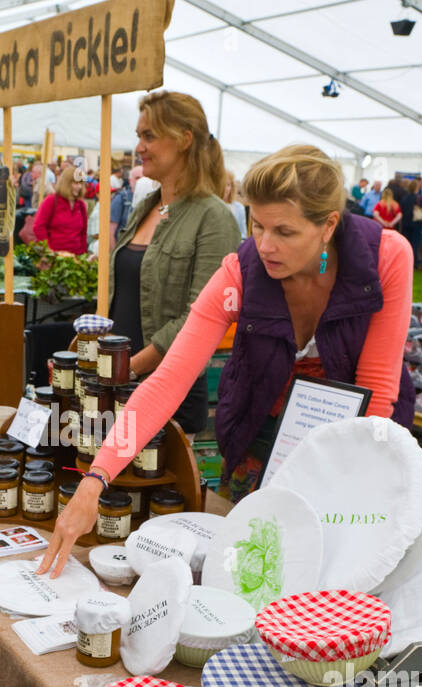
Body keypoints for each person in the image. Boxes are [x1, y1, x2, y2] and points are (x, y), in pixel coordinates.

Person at [39, 144, 415, 574]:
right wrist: (96, 478)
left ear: (328, 224)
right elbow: (166, 383)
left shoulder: (385, 257)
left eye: (284, 232)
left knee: (332, 567)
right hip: (259, 433)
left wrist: (342, 487)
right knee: (256, 568)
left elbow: (379, 389)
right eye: (257, 225)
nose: (266, 245)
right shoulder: (240, 271)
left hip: (358, 441)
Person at [106, 90, 240, 437]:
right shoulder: (145, 208)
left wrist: (130, 367)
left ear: (184, 139)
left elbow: (200, 316)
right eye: (139, 136)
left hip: (167, 393)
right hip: (118, 385)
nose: (140, 147)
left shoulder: (214, 218)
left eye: (149, 136)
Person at [33, 162, 87, 254]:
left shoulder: (81, 205)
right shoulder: (51, 201)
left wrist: (83, 253)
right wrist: (48, 251)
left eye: (81, 183)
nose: (79, 187)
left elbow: (83, 233)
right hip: (54, 256)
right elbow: (38, 227)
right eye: (76, 183)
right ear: (66, 183)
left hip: (76, 257)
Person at [223, 170, 248, 239]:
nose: (225, 188)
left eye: (228, 185)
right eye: (222, 184)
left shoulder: (239, 208)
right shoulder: (211, 206)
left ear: (232, 187)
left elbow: (243, 235)